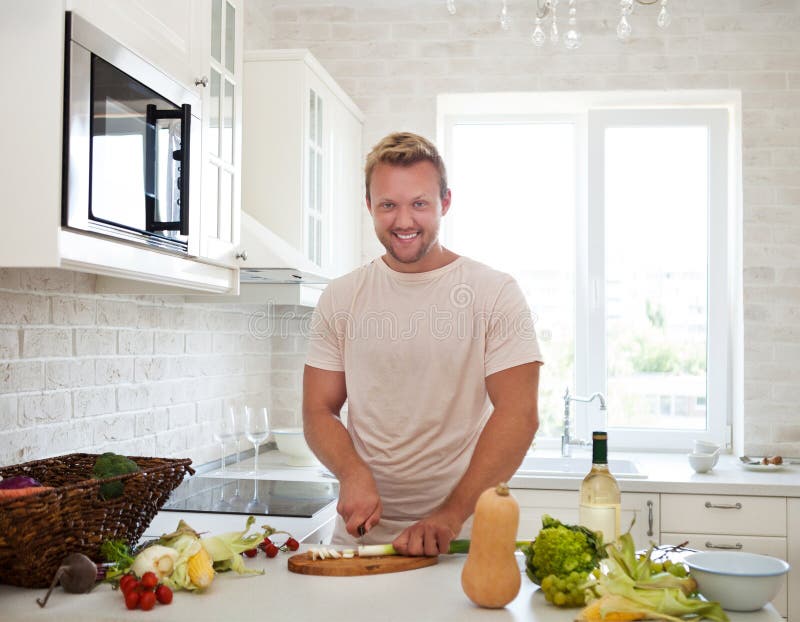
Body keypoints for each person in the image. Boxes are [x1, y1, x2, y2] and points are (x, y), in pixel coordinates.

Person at [303, 131, 543, 556]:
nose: (403, 221)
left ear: (445, 203)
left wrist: (449, 518)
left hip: (462, 540)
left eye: (419, 204)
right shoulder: (341, 296)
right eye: (388, 205)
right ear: (369, 207)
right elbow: (318, 409)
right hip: (360, 541)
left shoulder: (495, 292)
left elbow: (519, 414)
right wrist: (351, 471)